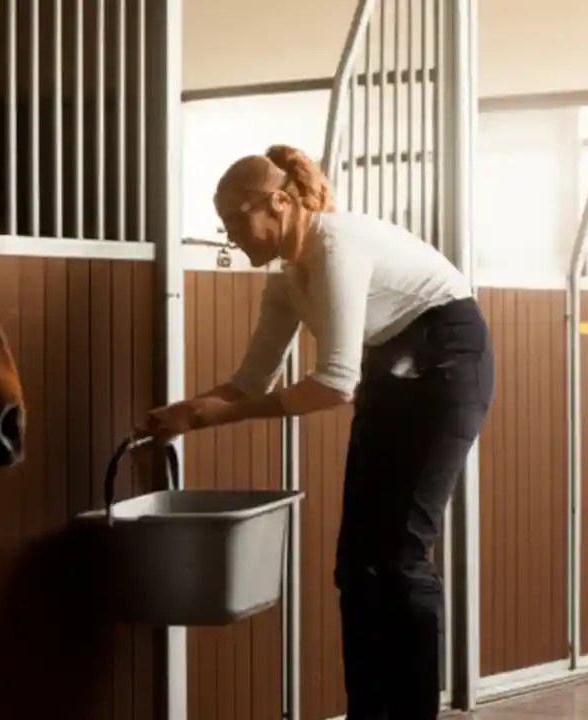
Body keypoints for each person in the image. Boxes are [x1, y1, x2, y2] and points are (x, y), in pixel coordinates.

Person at [136, 145, 494, 719]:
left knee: (400, 555)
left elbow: (333, 385)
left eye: (235, 220)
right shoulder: (284, 281)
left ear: (278, 203)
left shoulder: (334, 244)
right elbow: (249, 382)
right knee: (356, 562)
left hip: (448, 357)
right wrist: (186, 410)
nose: (231, 236)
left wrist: (217, 416)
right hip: (392, 365)